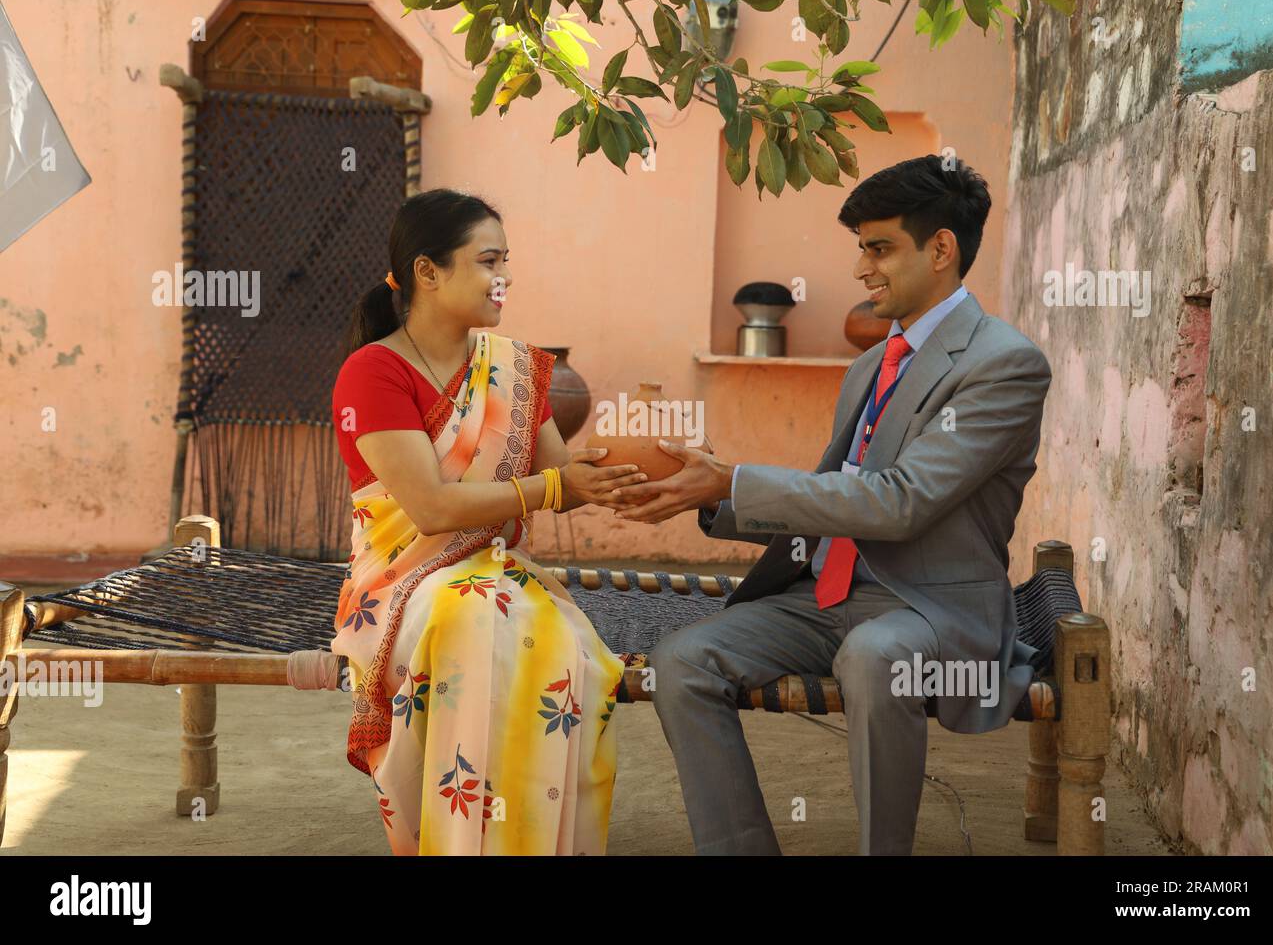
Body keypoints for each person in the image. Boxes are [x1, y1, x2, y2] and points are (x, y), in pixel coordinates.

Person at [616, 155, 1052, 855]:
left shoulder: (1004, 364)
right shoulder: (868, 366)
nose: (861, 269)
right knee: (680, 661)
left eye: (879, 248)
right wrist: (707, 500)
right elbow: (839, 491)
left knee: (877, 658)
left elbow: (900, 503)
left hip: (929, 612)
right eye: (861, 248)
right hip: (823, 594)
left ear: (941, 249)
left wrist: (731, 482)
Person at [330, 188, 644, 855]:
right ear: (427, 271)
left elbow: (564, 478)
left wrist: (650, 470)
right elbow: (434, 508)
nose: (504, 277)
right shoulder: (374, 373)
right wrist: (558, 485)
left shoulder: (513, 369)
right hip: (404, 585)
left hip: (500, 578)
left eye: (506, 261)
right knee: (468, 623)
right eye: (488, 261)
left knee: (569, 656)